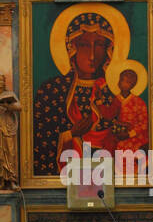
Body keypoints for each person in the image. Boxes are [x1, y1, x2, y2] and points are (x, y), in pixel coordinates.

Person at [34, 13, 123, 175]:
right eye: (84, 45)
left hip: (108, 170)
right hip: (67, 172)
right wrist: (70, 134)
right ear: (72, 48)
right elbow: (39, 141)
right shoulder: (52, 90)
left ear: (109, 49)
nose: (92, 55)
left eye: (99, 45)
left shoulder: (112, 92)